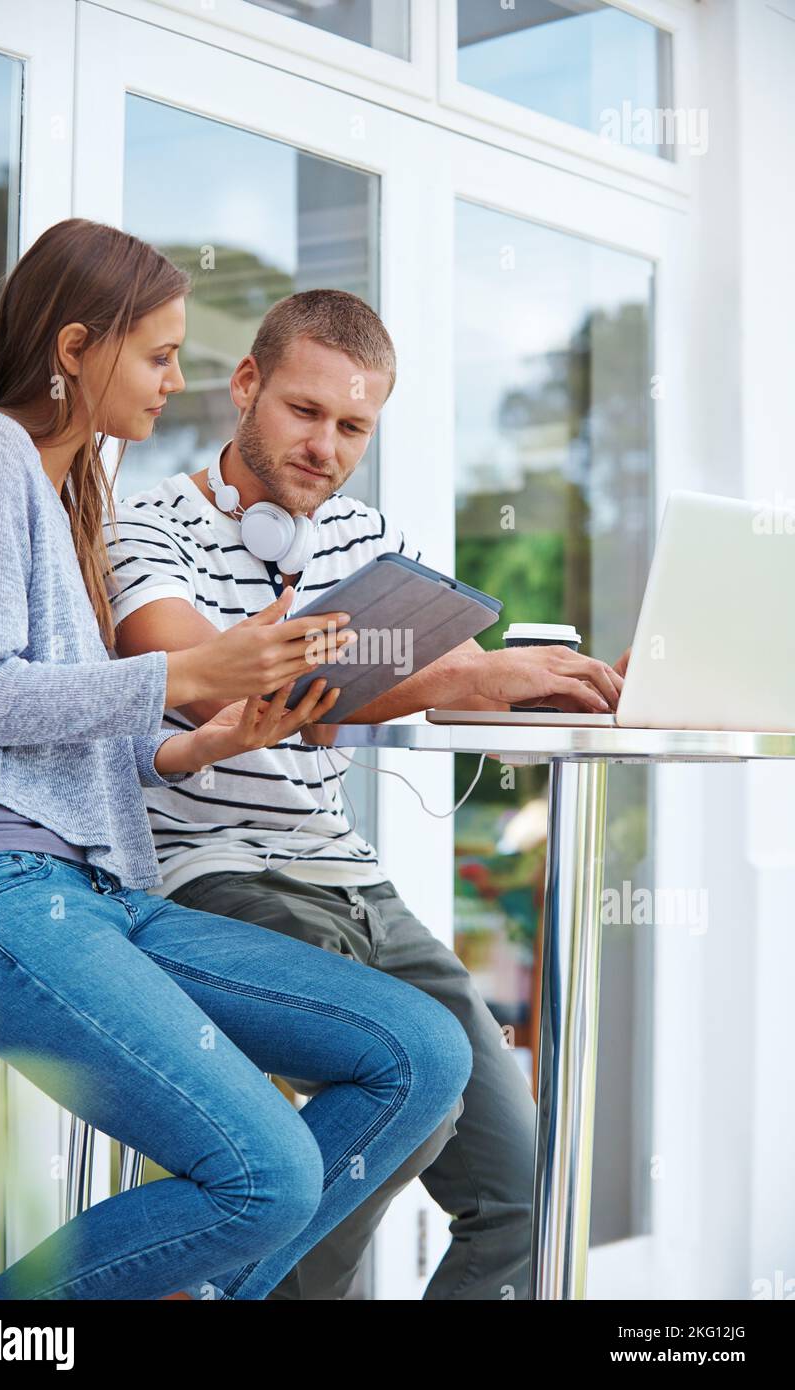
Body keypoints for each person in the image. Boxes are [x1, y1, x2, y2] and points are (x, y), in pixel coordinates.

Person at [0, 221, 473, 1301]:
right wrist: (187, 673)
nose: (178, 380)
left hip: (96, 892)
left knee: (423, 1050)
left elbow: (78, 734)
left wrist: (205, 738)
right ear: (76, 346)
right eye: (159, 353)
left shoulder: (68, 491)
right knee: (266, 1177)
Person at [106, 288, 631, 1300]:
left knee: (524, 1188)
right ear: (246, 385)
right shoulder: (146, 525)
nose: (326, 447)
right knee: (407, 1086)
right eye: (305, 413)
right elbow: (191, 668)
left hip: (354, 885)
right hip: (214, 882)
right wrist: (468, 676)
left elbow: (459, 666)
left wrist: (552, 682)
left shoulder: (361, 538)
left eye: (353, 426)